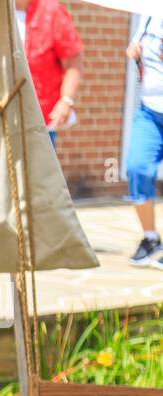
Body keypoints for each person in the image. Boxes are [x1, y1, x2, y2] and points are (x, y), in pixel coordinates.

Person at [15, 0, 83, 146]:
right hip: (0, 116)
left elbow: (73, 60)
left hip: (39, 119)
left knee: (38, 167)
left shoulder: (51, 12)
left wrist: (66, 100)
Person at [126, 16, 163, 266]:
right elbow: (135, 47)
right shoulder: (150, 13)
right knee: (136, 167)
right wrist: (133, 50)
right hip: (149, 110)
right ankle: (150, 239)